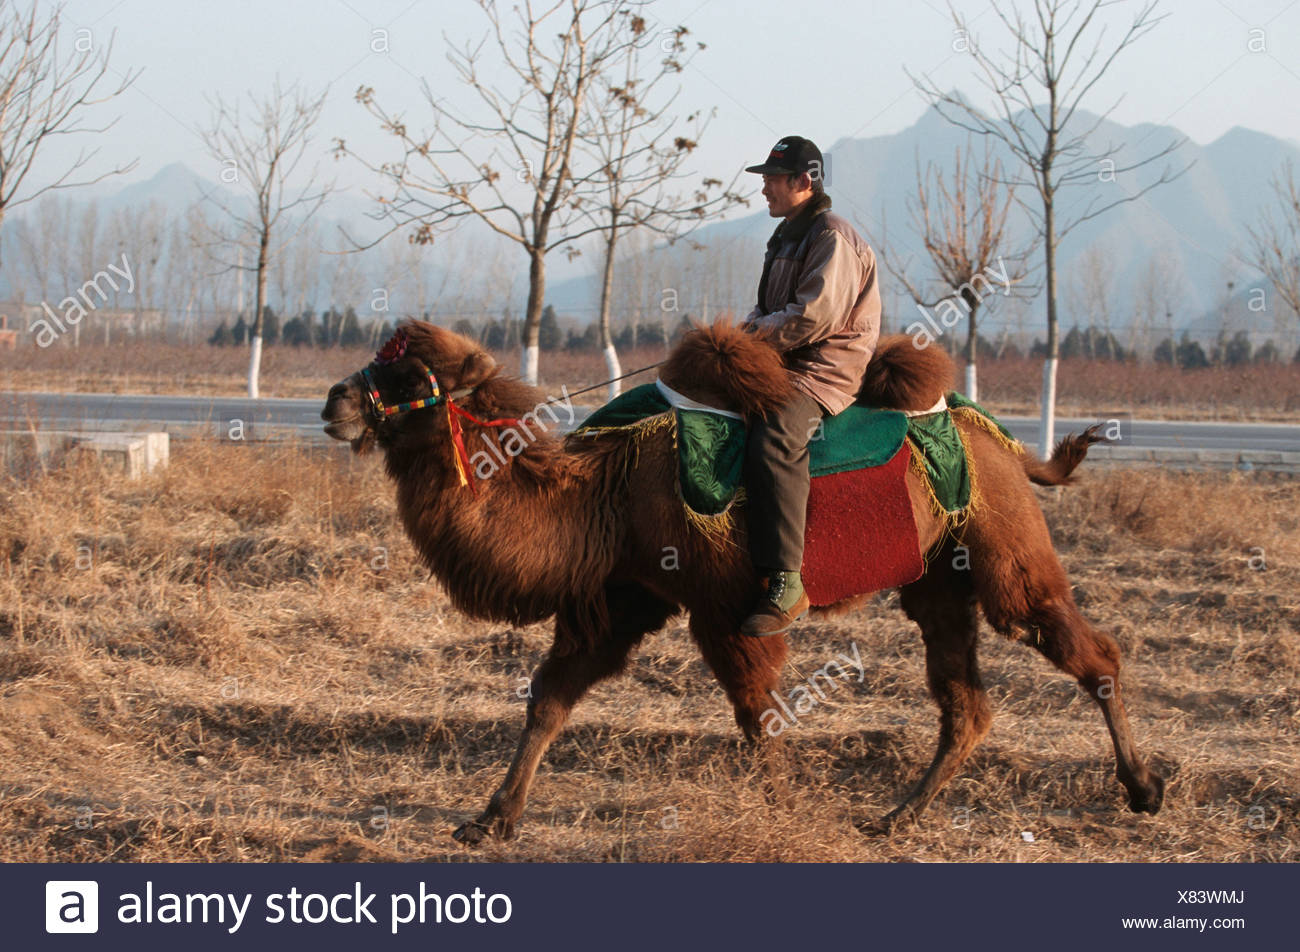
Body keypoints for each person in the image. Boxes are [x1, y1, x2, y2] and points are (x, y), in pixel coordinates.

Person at [738, 135, 882, 637]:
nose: (764, 191)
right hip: (781, 362)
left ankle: (785, 579)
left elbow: (813, 318)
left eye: (772, 180)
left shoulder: (832, 237)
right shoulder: (786, 235)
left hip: (821, 370)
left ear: (804, 182)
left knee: (775, 438)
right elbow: (765, 308)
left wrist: (753, 337)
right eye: (764, 180)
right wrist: (739, 337)